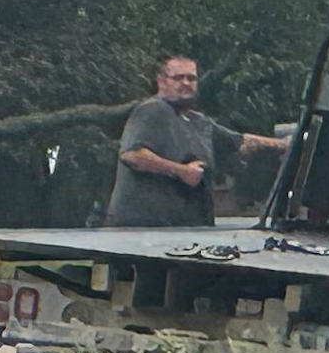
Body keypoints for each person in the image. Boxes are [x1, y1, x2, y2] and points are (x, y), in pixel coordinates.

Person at [101, 55, 287, 232]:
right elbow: (132, 155)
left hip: (183, 231)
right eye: (178, 78)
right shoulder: (153, 109)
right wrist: (181, 171)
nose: (185, 84)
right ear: (161, 81)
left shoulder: (198, 121)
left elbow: (242, 142)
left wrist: (287, 144)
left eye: (191, 78)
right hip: (145, 232)